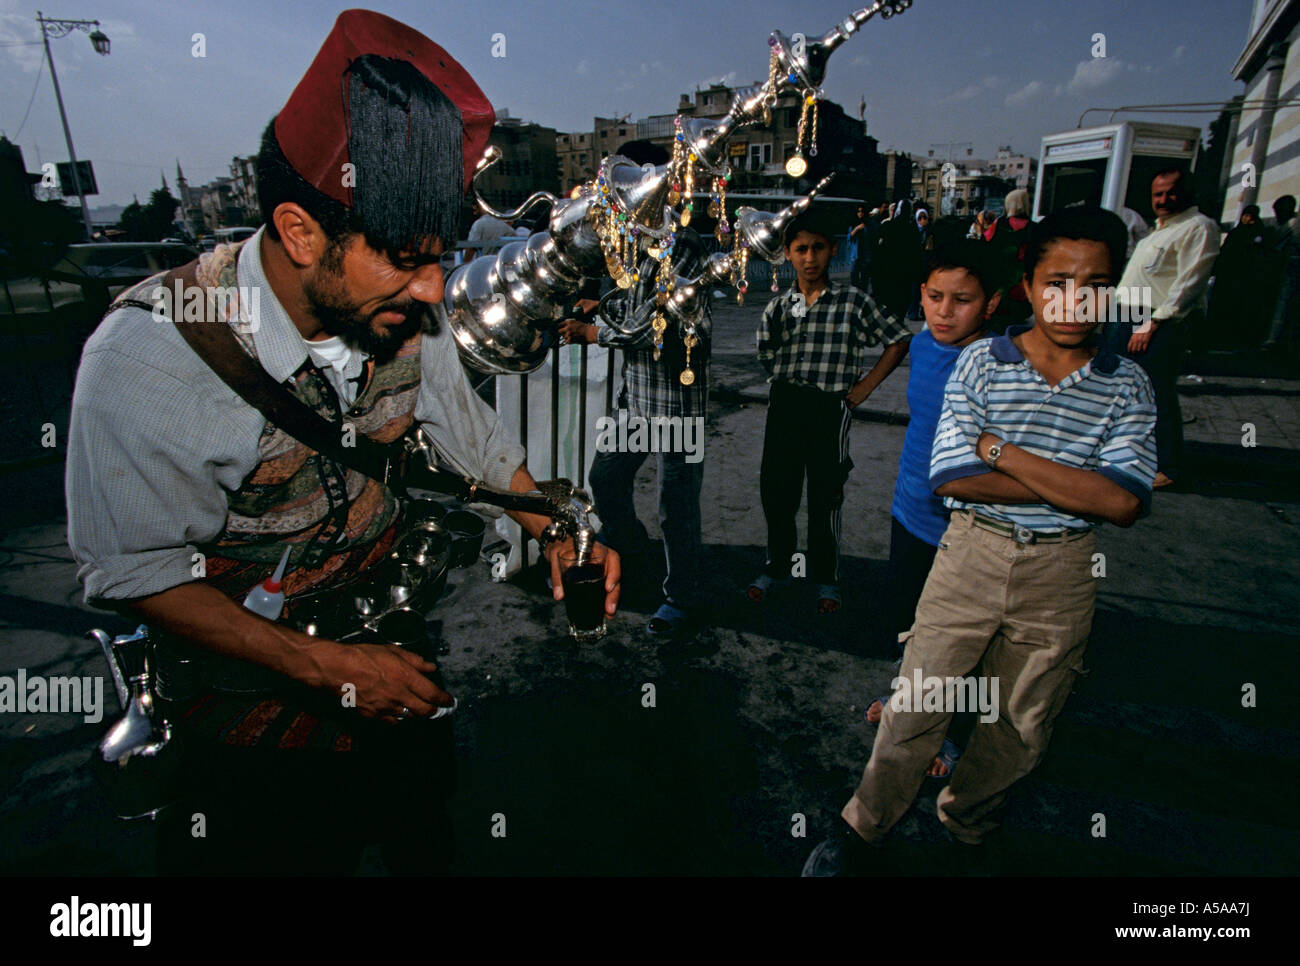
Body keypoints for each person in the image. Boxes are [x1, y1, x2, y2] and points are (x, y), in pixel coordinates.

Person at [65, 10, 620, 875]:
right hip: (246, 727)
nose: (436, 287)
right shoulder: (150, 360)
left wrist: (550, 522)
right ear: (298, 232)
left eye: (440, 255)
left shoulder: (402, 310)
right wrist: (326, 668)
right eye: (406, 254)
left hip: (395, 674)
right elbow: (135, 574)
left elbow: (465, 432)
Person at [803, 207, 1157, 876]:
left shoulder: (1128, 384)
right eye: (1058, 280)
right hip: (969, 554)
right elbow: (956, 479)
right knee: (915, 706)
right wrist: (1078, 479)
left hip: (1062, 572)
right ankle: (862, 829)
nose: (1075, 300)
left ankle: (967, 823)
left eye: (1096, 283)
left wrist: (1001, 450)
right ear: (1026, 285)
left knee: (1023, 727)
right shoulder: (982, 364)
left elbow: (1124, 501)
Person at [559, 140, 710, 638]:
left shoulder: (684, 247)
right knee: (604, 481)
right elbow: (626, 307)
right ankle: (638, 557)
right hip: (635, 403)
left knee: (677, 510)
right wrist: (594, 307)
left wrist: (594, 332)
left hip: (678, 409)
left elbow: (657, 326)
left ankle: (684, 597)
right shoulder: (629, 243)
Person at [867, 239, 1003, 778]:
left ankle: (947, 735)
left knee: (961, 641)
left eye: (963, 300)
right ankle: (906, 701)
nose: (945, 311)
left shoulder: (998, 361)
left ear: (990, 304)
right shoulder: (922, 345)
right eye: (935, 296)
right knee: (911, 624)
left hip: (966, 527)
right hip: (909, 511)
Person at [749, 210, 911, 614]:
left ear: (833, 249)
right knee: (777, 492)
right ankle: (776, 568)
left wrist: (863, 388)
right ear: (787, 254)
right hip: (786, 406)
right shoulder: (778, 307)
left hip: (830, 408)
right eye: (800, 249)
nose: (810, 258)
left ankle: (827, 578)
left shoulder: (853, 302)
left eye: (818, 248)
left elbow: (898, 339)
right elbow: (766, 354)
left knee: (826, 496)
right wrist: (788, 383)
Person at [1112, 166, 1220, 487]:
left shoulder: (1198, 227)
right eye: (1157, 194)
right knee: (1127, 394)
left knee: (1155, 395)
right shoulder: (1158, 230)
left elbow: (1190, 282)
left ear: (1187, 192)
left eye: (1170, 192)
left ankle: (1168, 467)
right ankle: (1130, 455)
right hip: (1126, 317)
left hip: (1154, 323)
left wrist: (1153, 323)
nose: (1163, 199)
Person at [1208, 205, 1275, 349]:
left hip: (1244, 281)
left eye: (1251, 216)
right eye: (1245, 215)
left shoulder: (1259, 234)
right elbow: (1224, 254)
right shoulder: (1236, 233)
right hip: (1227, 278)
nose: (1247, 219)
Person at [983, 189, 1033, 332]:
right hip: (1021, 284)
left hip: (998, 280)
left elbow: (986, 243)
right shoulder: (1033, 228)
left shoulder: (999, 224)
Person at [871, 199, 922, 322]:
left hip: (889, 275)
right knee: (898, 313)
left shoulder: (888, 226)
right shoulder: (912, 229)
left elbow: (877, 253)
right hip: (902, 277)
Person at [1264, 195, 1300, 353]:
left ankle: (1275, 340)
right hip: (1287, 272)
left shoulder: (1293, 225)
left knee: (1283, 307)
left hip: (1290, 273)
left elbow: (1277, 247)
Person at [848, 205, 873, 291]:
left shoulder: (869, 225)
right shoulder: (853, 224)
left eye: (862, 211)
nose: (860, 213)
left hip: (865, 255)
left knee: (864, 278)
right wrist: (857, 228)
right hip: (855, 255)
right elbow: (849, 237)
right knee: (854, 276)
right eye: (858, 211)